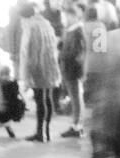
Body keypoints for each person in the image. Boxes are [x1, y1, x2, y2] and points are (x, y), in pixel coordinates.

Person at [20, 1, 62, 141]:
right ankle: (46, 131)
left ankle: (40, 133)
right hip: (50, 66)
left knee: (39, 100)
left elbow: (26, 52)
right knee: (47, 98)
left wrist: (25, 76)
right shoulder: (46, 24)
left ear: (25, 17)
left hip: (37, 67)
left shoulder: (30, 26)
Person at [58, 2, 88, 137]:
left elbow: (76, 53)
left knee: (76, 98)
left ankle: (77, 126)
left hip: (73, 70)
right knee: (75, 97)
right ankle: (76, 125)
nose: (65, 19)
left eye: (67, 16)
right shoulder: (72, 30)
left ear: (74, 16)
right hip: (69, 69)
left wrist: (61, 53)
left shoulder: (77, 31)